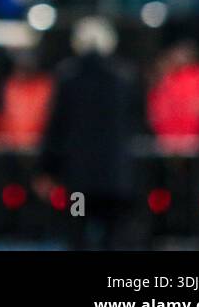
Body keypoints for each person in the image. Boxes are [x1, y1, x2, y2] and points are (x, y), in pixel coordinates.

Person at [37, 17, 143, 250]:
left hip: (79, 181)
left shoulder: (68, 78)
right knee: (114, 238)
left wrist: (47, 169)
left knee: (77, 234)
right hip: (116, 180)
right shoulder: (125, 78)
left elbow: (56, 128)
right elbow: (138, 124)